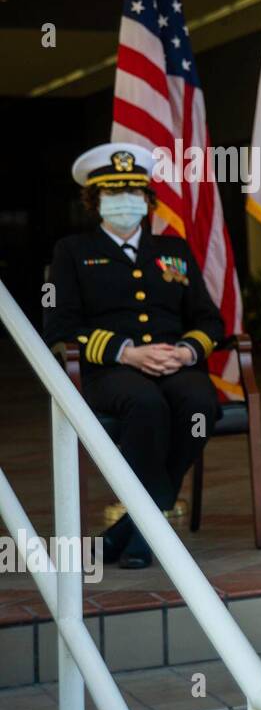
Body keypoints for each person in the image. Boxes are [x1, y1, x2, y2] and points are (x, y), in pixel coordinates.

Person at [44, 144, 224, 569]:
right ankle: (147, 530)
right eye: (113, 193)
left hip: (173, 362)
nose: (125, 200)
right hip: (112, 370)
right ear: (95, 201)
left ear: (146, 199)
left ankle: (134, 528)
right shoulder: (71, 251)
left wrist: (185, 351)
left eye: (134, 192)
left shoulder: (173, 249)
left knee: (201, 403)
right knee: (145, 405)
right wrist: (127, 352)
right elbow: (59, 327)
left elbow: (208, 320)